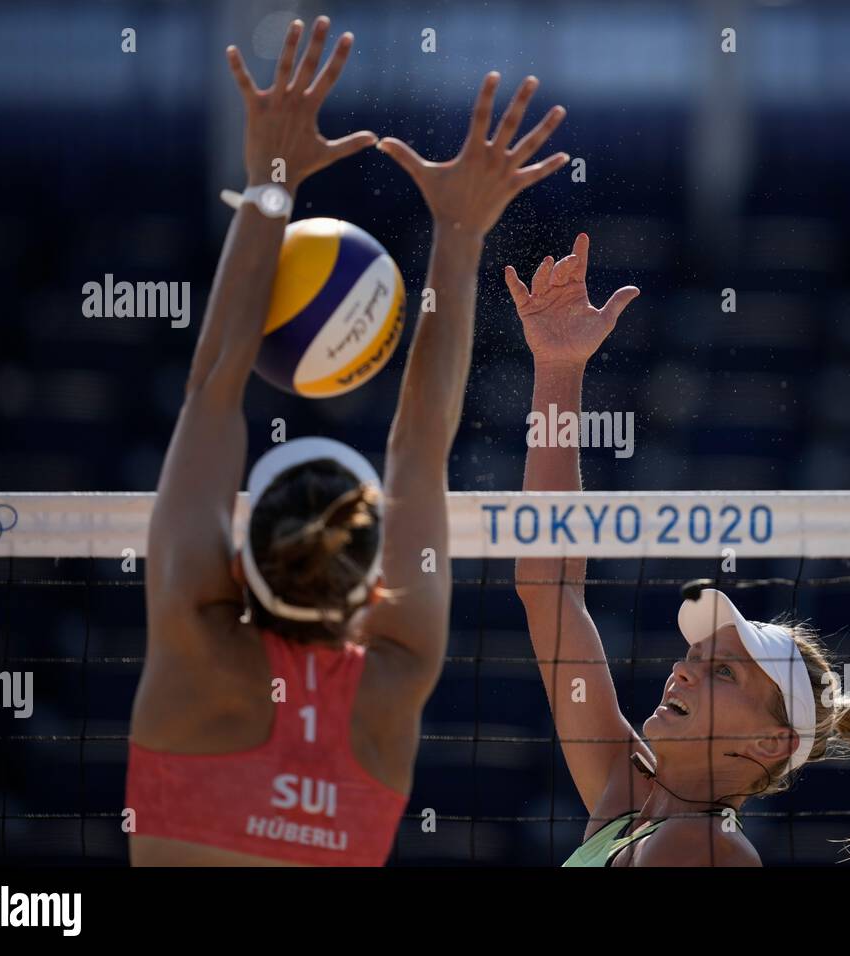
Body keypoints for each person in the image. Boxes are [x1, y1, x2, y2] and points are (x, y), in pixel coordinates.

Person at [126, 14, 568, 865]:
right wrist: (463, 232)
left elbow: (217, 386)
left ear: (241, 560)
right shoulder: (390, 689)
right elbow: (419, 450)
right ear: (371, 584)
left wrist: (272, 180)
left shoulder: (195, 651)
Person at [509, 234, 850, 866]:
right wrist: (558, 368)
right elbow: (549, 588)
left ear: (770, 743)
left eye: (721, 670)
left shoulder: (700, 845)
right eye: (698, 657)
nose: (683, 670)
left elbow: (549, 589)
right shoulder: (632, 800)